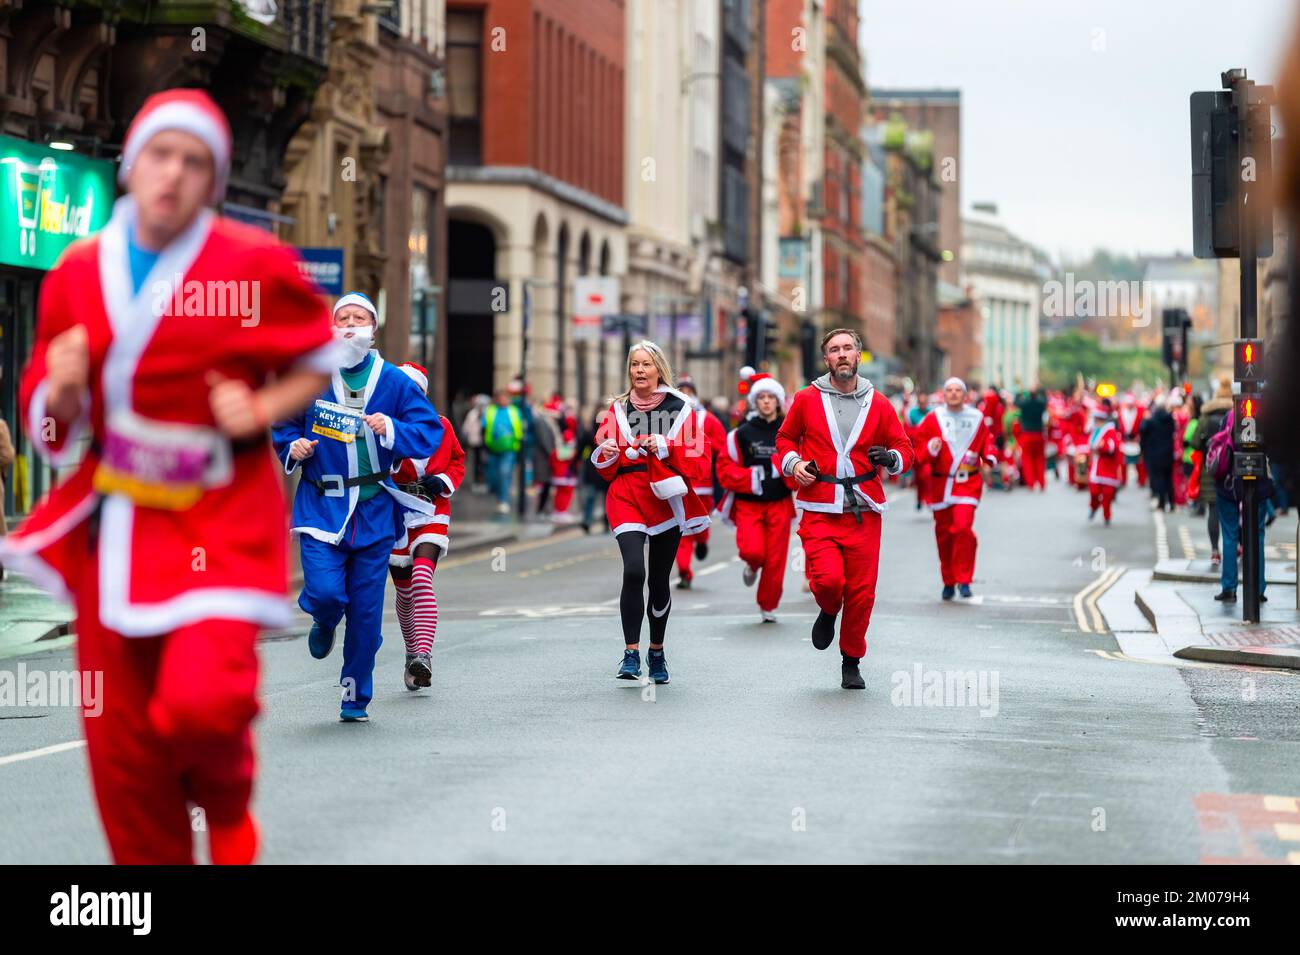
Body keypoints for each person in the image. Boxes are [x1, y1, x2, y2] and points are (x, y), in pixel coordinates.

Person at [0, 89, 336, 863]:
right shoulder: (78, 272)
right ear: (131, 167)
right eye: (161, 154)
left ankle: (224, 805)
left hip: (217, 522)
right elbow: (50, 432)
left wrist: (260, 408)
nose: (174, 174)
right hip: (117, 529)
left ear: (213, 181)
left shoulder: (250, 264)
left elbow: (317, 358)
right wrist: (66, 388)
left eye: (195, 161)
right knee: (123, 755)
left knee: (203, 701)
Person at [273, 291, 445, 722]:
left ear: (372, 327)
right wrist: (293, 445)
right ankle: (324, 617)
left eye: (359, 318)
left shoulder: (394, 381)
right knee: (328, 592)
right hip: (322, 506)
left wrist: (393, 427)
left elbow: (429, 430)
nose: (350, 325)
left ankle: (354, 698)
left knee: (367, 616)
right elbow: (283, 421)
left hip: (372, 510)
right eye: (342, 318)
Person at [774, 328, 913, 690]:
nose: (842, 354)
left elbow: (904, 446)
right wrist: (793, 464)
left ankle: (851, 659)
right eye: (834, 350)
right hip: (819, 506)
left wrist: (893, 457)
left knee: (863, 592)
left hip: (863, 511)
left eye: (848, 348)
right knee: (828, 581)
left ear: (858, 356)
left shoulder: (879, 403)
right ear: (826, 360)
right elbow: (785, 438)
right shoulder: (806, 399)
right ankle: (828, 608)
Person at [591, 341, 711, 684]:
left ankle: (656, 651)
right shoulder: (615, 410)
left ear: (659, 368)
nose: (639, 371)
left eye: (645, 365)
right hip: (626, 494)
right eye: (634, 365)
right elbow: (602, 464)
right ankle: (630, 653)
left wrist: (665, 446)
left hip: (664, 500)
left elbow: (700, 458)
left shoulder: (681, 408)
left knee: (659, 581)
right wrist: (607, 450)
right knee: (633, 571)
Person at [388, 362, 465, 690]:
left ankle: (424, 654)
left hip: (432, 510)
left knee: (421, 576)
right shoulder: (385, 426)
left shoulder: (441, 425)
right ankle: (411, 655)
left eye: (414, 391)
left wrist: (443, 479)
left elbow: (458, 460)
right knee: (404, 593)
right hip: (396, 513)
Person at [715, 376, 796, 622]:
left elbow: (799, 465)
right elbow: (724, 469)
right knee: (753, 551)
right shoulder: (741, 434)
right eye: (762, 397)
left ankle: (768, 604)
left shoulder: (788, 432)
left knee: (776, 559)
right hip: (748, 504)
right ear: (755, 402)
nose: (767, 402)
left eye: (771, 397)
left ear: (778, 401)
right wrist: (751, 477)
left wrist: (785, 470)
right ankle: (751, 566)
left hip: (779, 503)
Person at [913, 377, 998, 600]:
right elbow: (918, 450)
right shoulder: (933, 418)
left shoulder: (976, 417)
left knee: (962, 528)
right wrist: (930, 449)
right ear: (943, 394)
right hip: (940, 484)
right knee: (944, 535)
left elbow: (986, 441)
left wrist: (989, 456)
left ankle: (964, 579)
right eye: (949, 390)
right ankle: (949, 580)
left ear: (965, 394)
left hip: (967, 484)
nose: (953, 394)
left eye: (957, 390)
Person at [1208, 409, 1271, 604]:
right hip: (1258, 481)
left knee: (1229, 535)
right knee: (1257, 535)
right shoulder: (1266, 413)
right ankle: (1258, 589)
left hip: (1229, 484)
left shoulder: (1230, 415)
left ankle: (1229, 588)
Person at [673, 375, 726, 589]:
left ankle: (703, 541)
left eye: (688, 390)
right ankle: (685, 571)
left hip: (702, 485)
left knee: (699, 526)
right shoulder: (669, 417)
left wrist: (702, 444)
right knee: (682, 531)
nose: (685, 394)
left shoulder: (709, 420)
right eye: (681, 390)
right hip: (678, 484)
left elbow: (723, 449)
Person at [1192, 380, 1233, 567]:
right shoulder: (1235, 415)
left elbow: (1194, 443)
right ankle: (1236, 546)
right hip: (1232, 468)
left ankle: (1215, 551)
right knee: (1235, 510)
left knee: (1213, 510)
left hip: (1211, 469)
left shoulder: (1205, 418)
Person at [483, 387, 523, 514]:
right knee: (493, 476)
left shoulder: (515, 411)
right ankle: (499, 495)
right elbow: (484, 426)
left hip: (509, 448)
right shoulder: (490, 410)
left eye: (505, 397)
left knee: (504, 472)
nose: (502, 400)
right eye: (500, 398)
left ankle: (503, 500)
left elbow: (520, 427)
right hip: (493, 447)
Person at [1086, 400, 1124, 525]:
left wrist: (1101, 448)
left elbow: (1112, 447)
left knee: (1107, 496)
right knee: (1094, 492)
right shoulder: (1095, 431)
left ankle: (1107, 516)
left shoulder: (1110, 431)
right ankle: (1093, 507)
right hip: (1096, 468)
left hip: (1108, 469)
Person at [1141, 395, 1176, 511]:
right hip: (1168, 453)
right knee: (1168, 478)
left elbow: (1142, 430)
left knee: (1159, 478)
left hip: (1155, 454)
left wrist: (1146, 419)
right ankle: (1171, 502)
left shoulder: (1152, 420)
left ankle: (1161, 501)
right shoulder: (1170, 420)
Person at [1015, 386, 1048, 491]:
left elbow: (1016, 402)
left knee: (1027, 458)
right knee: (1040, 458)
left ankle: (1031, 483)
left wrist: (1019, 391)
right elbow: (1045, 399)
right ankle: (1041, 483)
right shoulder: (1041, 403)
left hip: (1026, 433)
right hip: (1039, 433)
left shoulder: (1025, 404)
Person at [905, 391, 931, 508]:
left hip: (928, 450)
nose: (923, 404)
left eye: (925, 402)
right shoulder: (912, 414)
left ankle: (929, 499)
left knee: (927, 475)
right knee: (919, 478)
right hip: (916, 450)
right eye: (921, 402)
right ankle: (920, 498)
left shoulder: (932, 414)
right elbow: (907, 431)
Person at [1117, 393, 1145, 487]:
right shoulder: (1121, 413)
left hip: (1135, 440)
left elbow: (1142, 426)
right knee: (1124, 462)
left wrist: (1139, 436)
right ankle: (1123, 480)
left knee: (1139, 462)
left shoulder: (1139, 413)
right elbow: (1119, 427)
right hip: (1125, 440)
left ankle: (1141, 480)